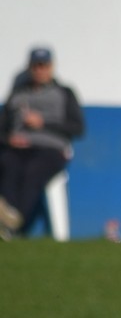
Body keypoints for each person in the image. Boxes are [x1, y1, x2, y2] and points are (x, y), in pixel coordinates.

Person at [1, 47, 84, 239]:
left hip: (50, 149)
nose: (40, 70)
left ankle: (14, 222)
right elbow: (2, 127)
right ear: (30, 68)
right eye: (36, 66)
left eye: (44, 66)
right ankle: (8, 218)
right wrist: (8, 139)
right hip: (17, 148)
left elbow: (77, 128)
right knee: (7, 163)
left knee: (33, 170)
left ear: (51, 67)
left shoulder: (64, 93)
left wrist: (43, 122)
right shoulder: (17, 94)